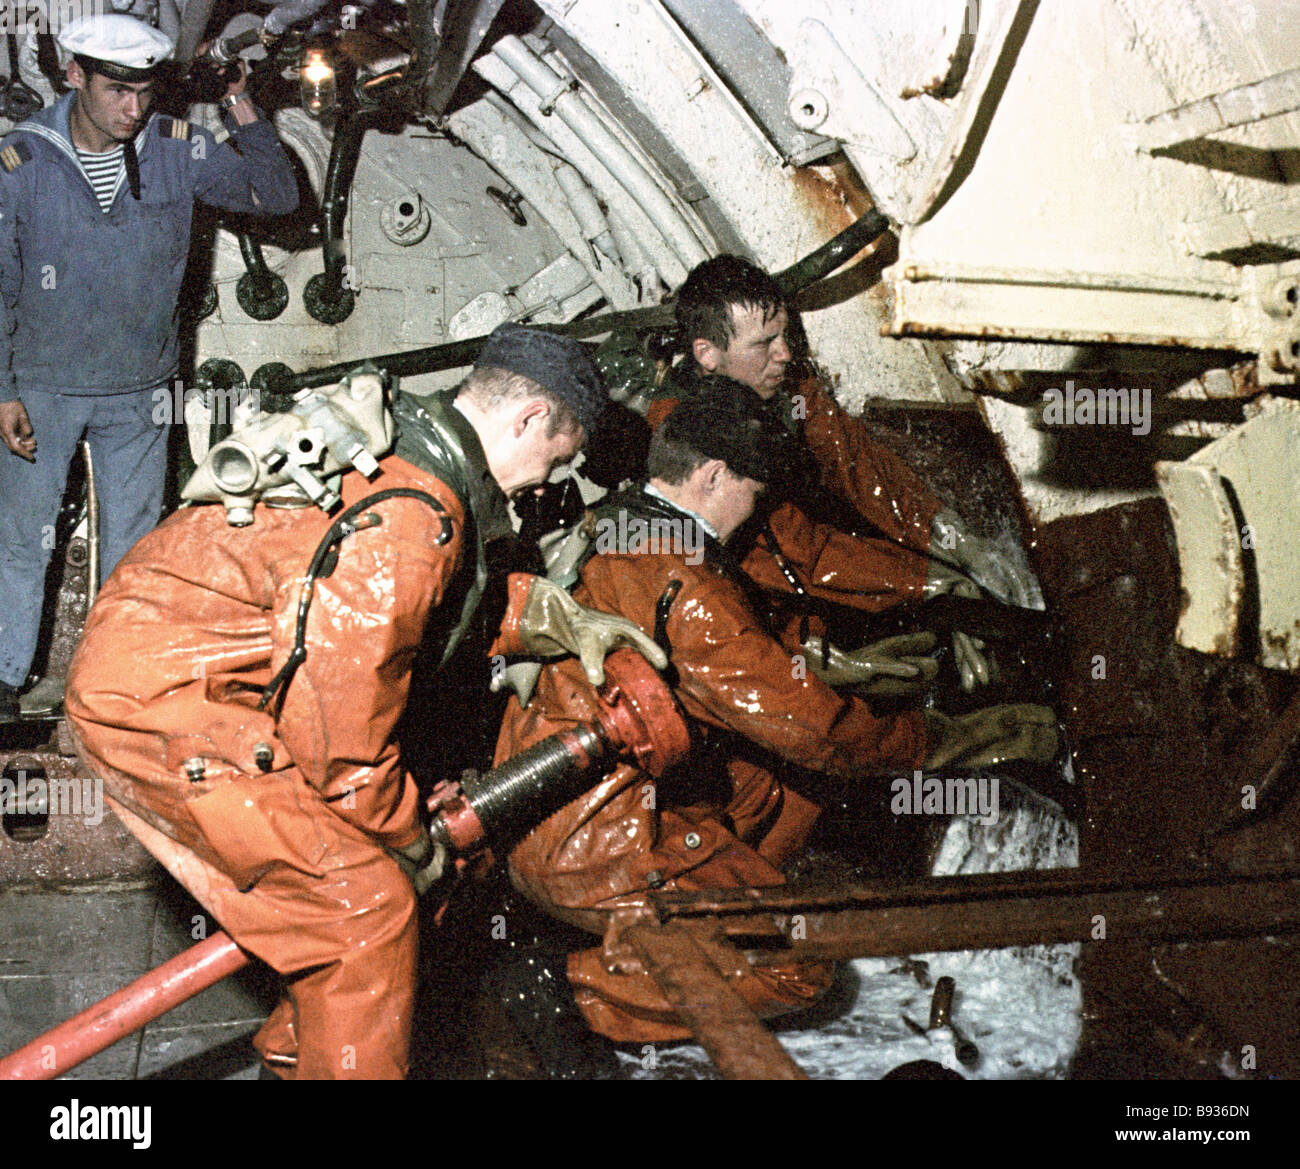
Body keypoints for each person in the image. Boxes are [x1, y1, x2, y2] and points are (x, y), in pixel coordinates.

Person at [65, 323, 668, 1080]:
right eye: (556, 455)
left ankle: (308, 1054)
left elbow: (407, 612)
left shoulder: (403, 439)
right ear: (527, 422)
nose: (548, 481)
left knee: (365, 886)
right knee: (367, 908)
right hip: (165, 702)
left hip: (166, 669)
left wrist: (558, 618)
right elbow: (341, 737)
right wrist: (408, 838)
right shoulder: (416, 513)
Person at [493, 387, 1056, 1051]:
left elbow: (730, 676)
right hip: (594, 849)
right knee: (799, 960)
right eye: (752, 492)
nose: (755, 511)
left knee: (789, 785)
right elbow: (818, 732)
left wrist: (833, 659)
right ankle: (580, 992)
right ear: (711, 475)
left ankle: (728, 901)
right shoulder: (686, 579)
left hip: (547, 812)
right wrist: (963, 738)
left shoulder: (615, 523)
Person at [0, 13, 299, 722]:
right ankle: (6, 681)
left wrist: (240, 102)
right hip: (43, 386)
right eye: (116, 91)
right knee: (20, 537)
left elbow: (279, 196)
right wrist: (2, 389)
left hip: (141, 391)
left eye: (144, 92)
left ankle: (112, 687)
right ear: (76, 76)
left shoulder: (178, 148)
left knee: (134, 550)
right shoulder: (21, 160)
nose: (134, 110)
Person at [656, 254, 1039, 690]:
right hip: (749, 617)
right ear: (707, 354)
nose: (785, 354)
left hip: (804, 579)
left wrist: (950, 536)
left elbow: (856, 464)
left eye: (786, 335)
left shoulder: (782, 389)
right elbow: (797, 554)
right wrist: (928, 583)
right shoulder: (688, 438)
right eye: (765, 343)